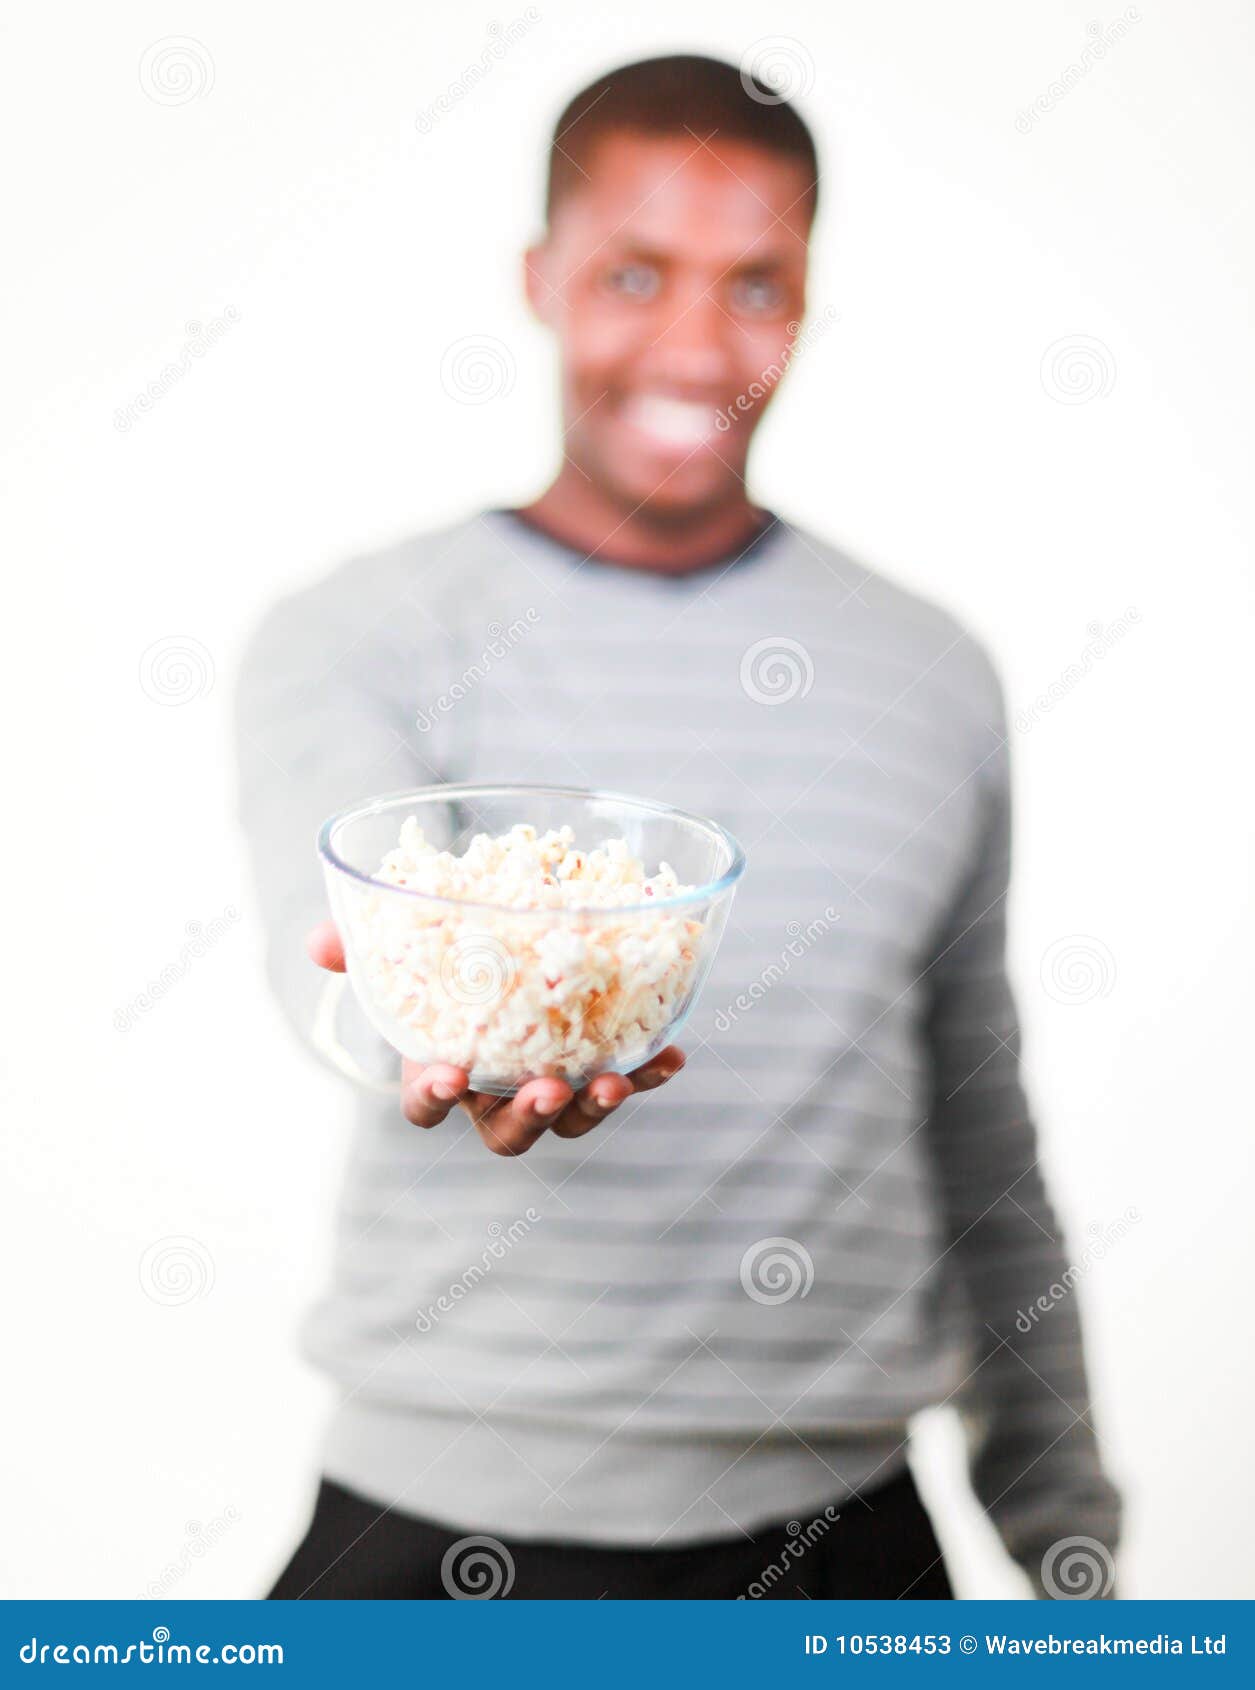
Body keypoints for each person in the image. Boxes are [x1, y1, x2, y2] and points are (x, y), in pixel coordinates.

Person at [237, 53, 1120, 1600]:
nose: (697, 344)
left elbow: (980, 1118)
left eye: (756, 285)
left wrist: (1067, 1540)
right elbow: (348, 965)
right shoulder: (364, 634)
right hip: (434, 1531)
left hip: (842, 1538)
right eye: (634, 274)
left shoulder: (930, 673)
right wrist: (439, 1034)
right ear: (540, 279)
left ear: (809, 299)